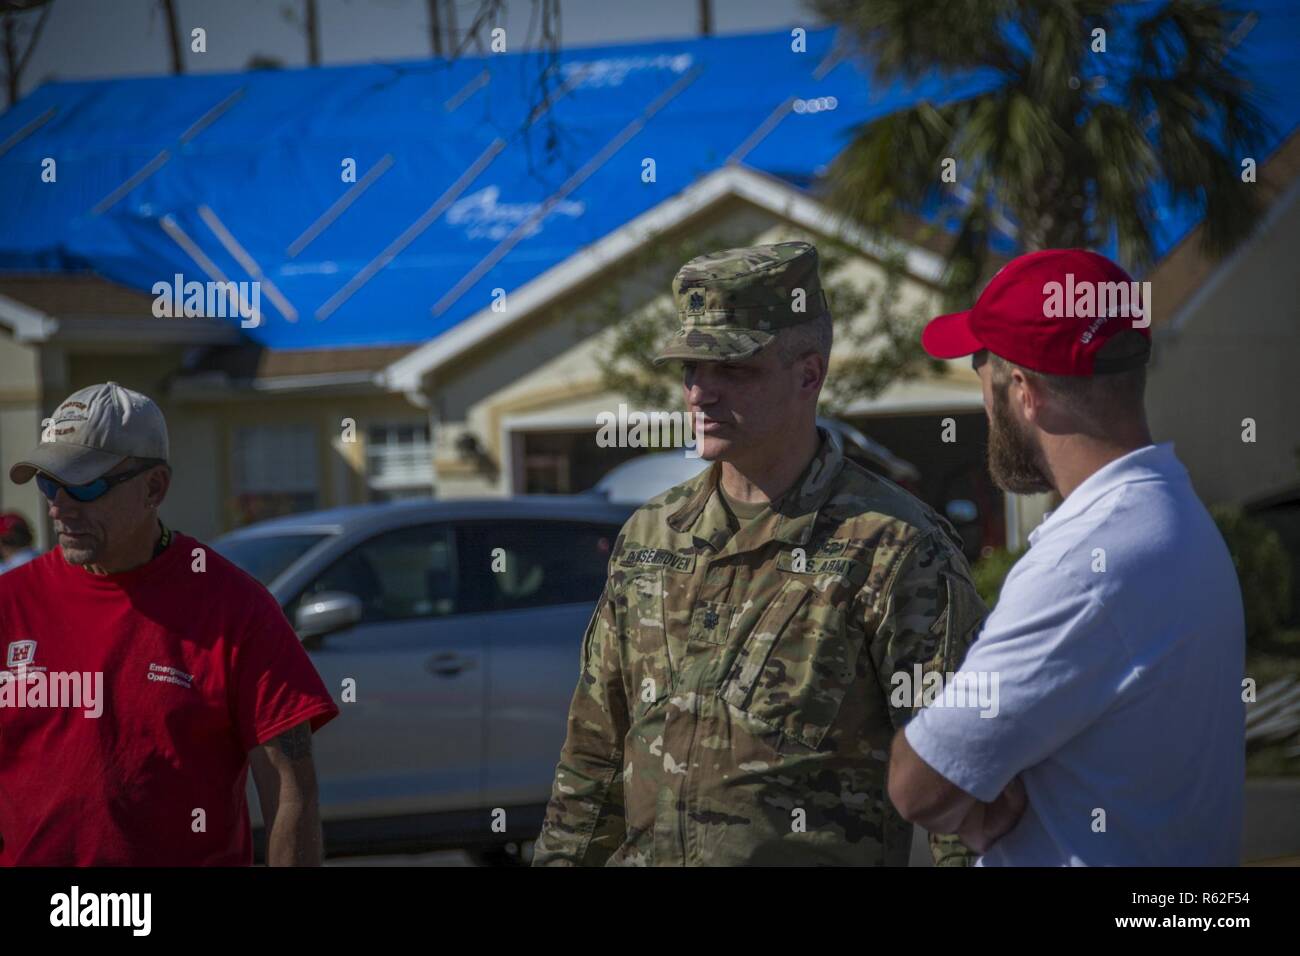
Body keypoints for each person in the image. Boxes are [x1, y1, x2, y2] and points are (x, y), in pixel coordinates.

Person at [533, 241, 987, 866]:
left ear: (809, 374)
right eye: (691, 368)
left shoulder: (894, 545)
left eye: (733, 370)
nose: (699, 394)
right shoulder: (649, 538)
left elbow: (959, 776)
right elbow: (594, 754)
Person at [889, 248, 1246, 865]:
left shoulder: (1086, 564)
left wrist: (973, 803)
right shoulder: (1174, 514)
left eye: (980, 367)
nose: (982, 402)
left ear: (1024, 391)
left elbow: (917, 782)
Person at [0, 382, 339, 866]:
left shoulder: (235, 608)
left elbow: (290, 790)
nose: (58, 506)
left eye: (84, 485)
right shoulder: (9, 604)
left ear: (154, 487)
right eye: (48, 482)